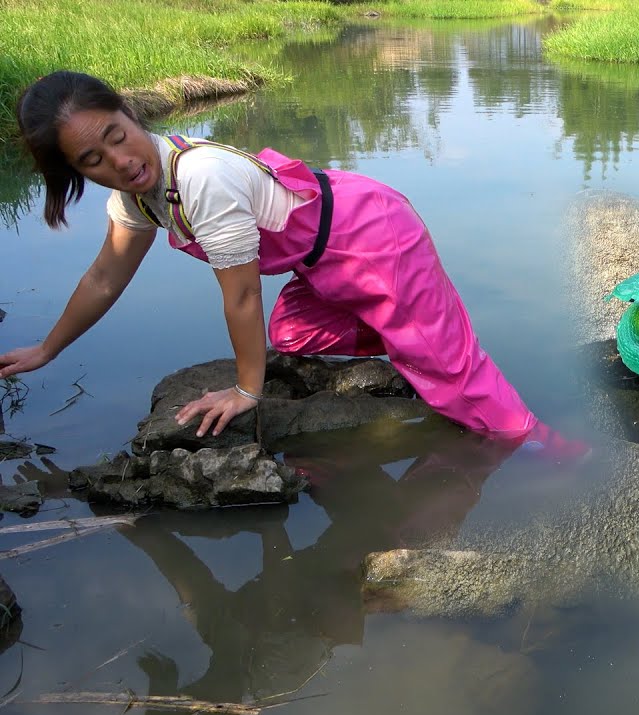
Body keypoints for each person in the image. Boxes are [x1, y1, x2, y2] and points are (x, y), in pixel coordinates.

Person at [0, 70, 577, 454]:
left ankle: (551, 451)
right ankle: (417, 334)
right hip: (318, 259)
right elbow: (103, 277)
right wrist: (48, 348)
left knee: (452, 376)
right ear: (76, 171)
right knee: (293, 333)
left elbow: (242, 294)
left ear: (129, 111)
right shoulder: (136, 196)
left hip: (370, 237)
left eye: (118, 134)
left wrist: (248, 391)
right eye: (94, 159)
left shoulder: (200, 179)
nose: (122, 162)